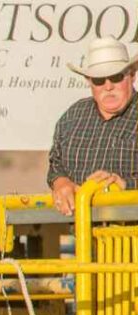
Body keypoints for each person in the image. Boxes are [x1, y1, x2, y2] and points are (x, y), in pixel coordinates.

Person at [49, 37, 138, 216]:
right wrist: (61, 183)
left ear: (132, 75)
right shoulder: (73, 116)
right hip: (84, 236)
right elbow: (56, 164)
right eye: (99, 80)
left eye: (116, 77)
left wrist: (125, 184)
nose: (108, 86)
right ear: (89, 81)